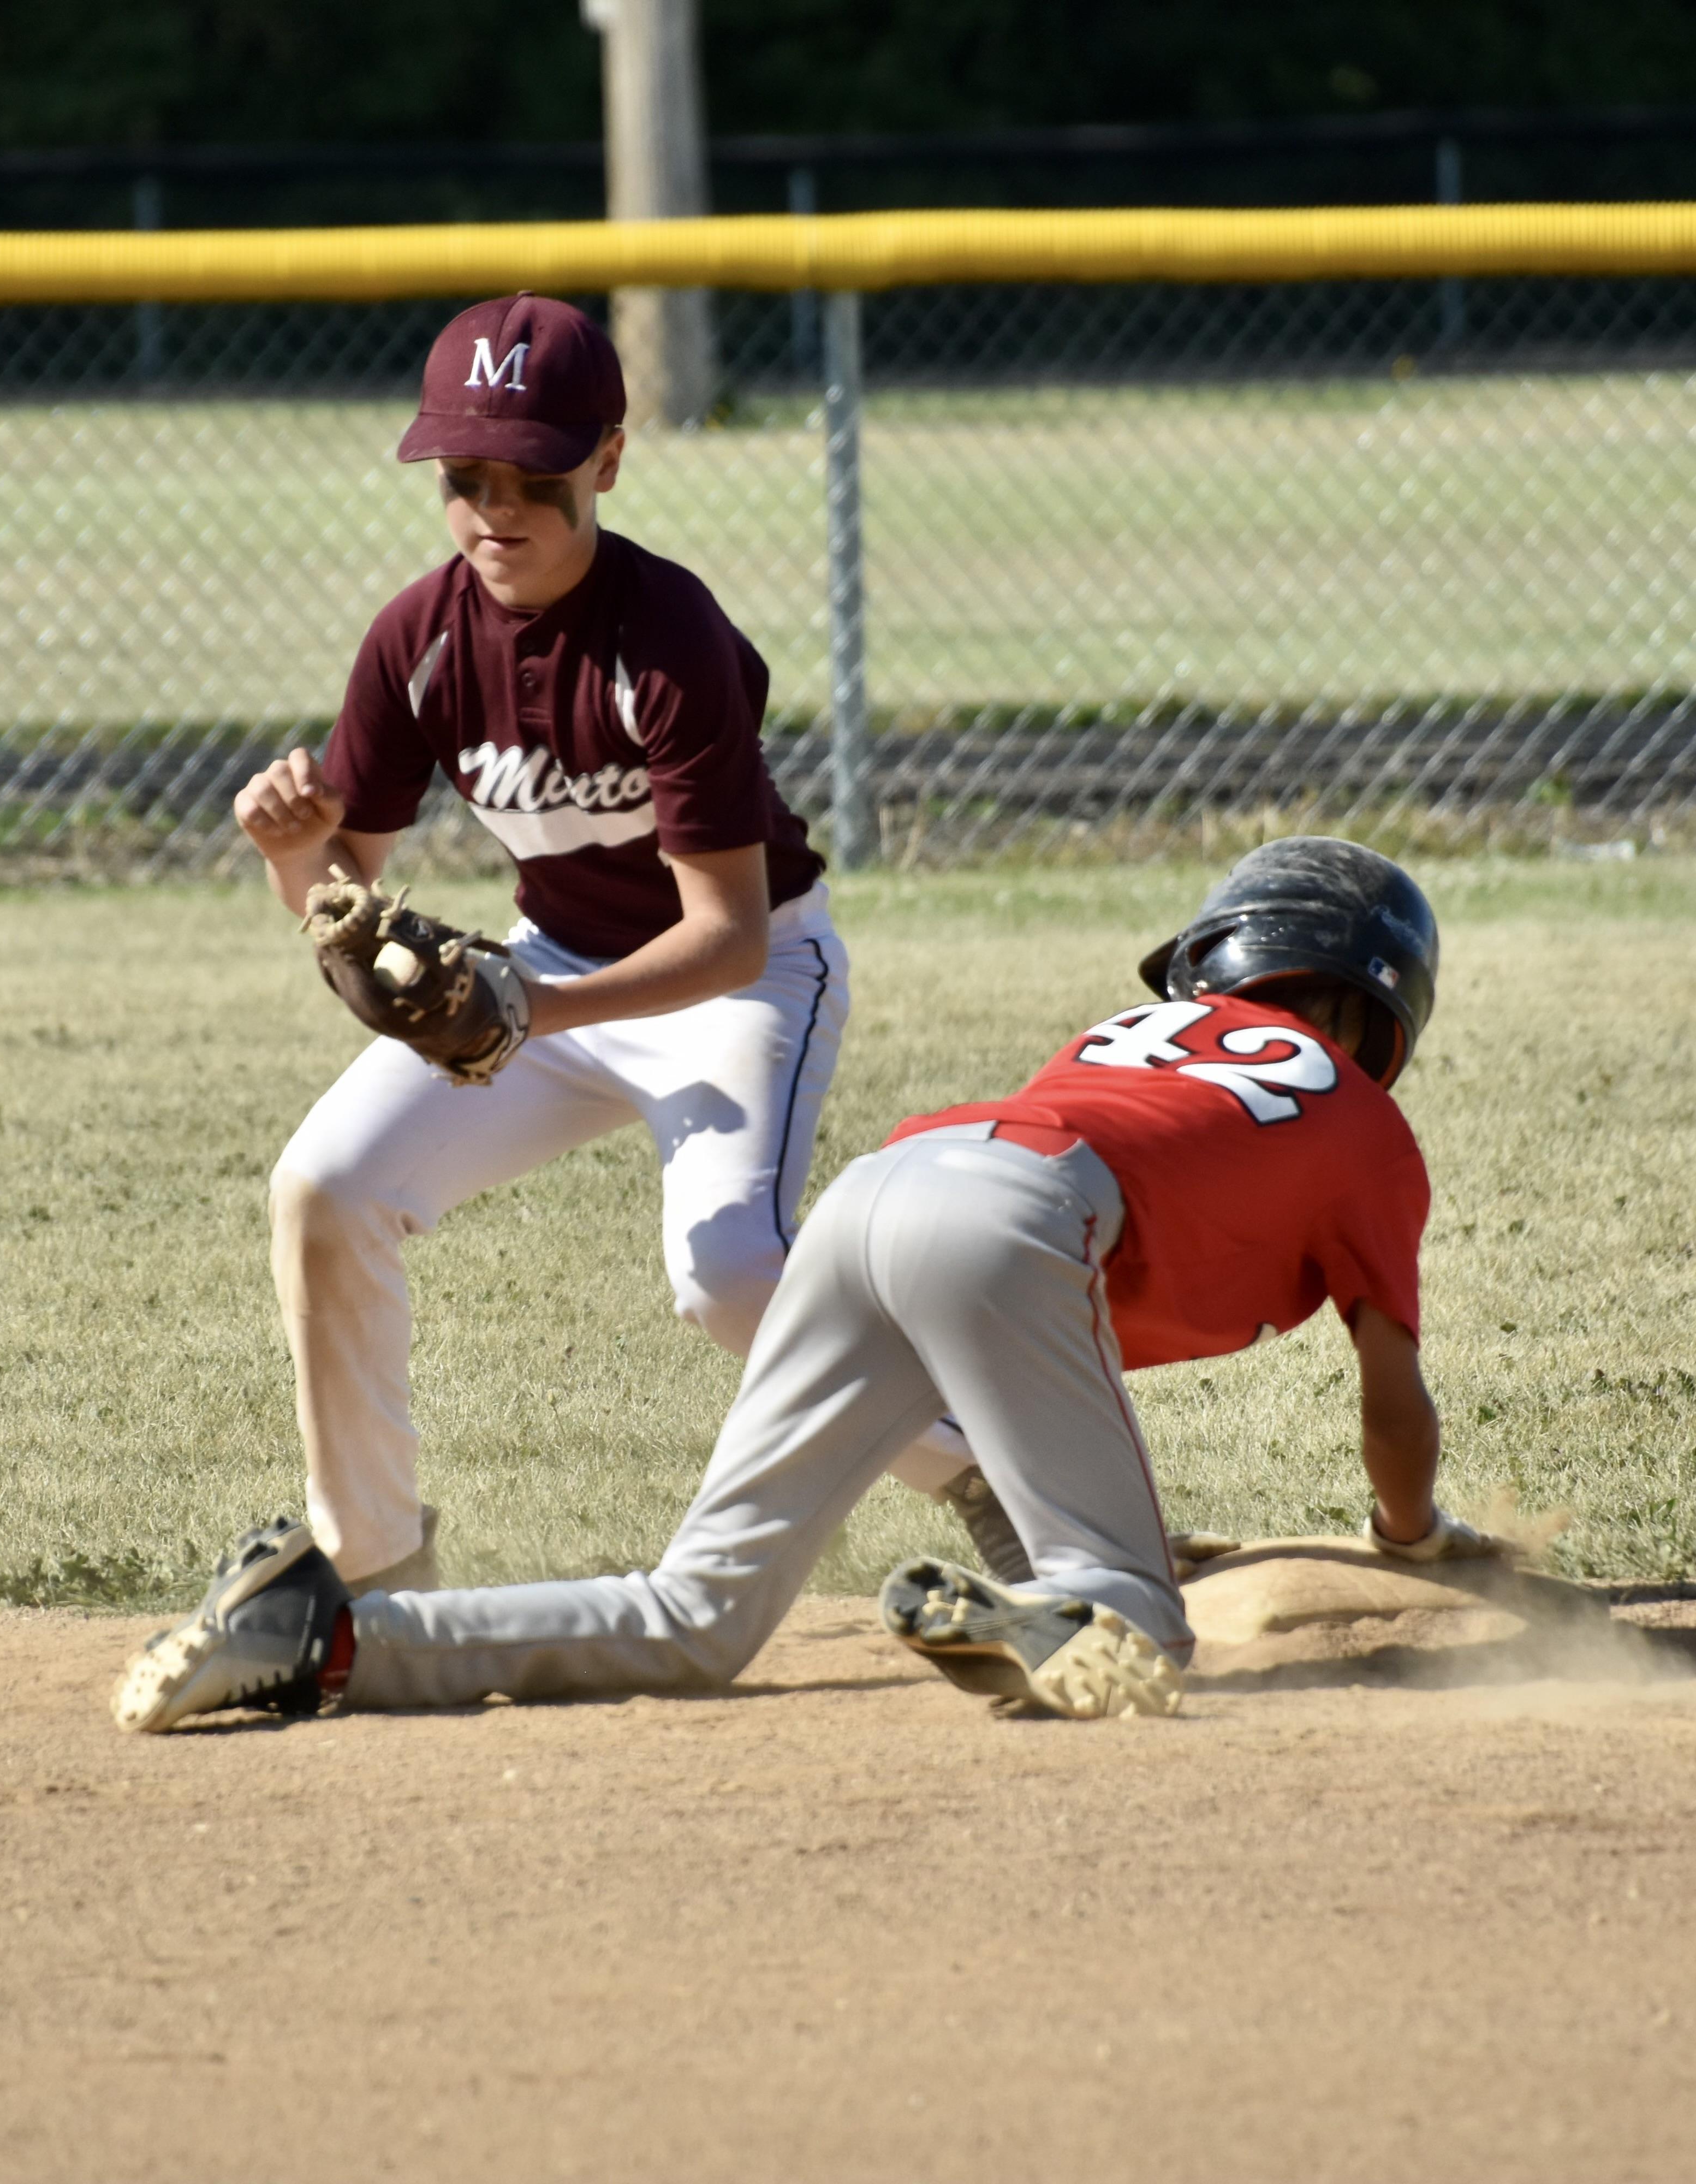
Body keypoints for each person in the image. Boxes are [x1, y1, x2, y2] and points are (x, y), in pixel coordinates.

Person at [115, 836, 1502, 1730]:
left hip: (881, 1193)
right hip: (1011, 1221)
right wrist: (1416, 1536)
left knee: (695, 1615)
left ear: (1213, 963)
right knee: (1142, 1624)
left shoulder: (1136, 1028)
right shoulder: (1365, 1122)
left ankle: (322, 1632)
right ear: (1387, 1011)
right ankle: (1069, 1603)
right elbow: (1393, 1397)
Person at [231, 292, 996, 1598]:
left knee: (732, 1275)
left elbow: (727, 934)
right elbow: (345, 907)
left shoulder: (669, 636)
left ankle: (995, 1472)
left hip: (740, 984)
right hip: (555, 969)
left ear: (608, 460)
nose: (494, 508)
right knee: (324, 1190)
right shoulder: (419, 641)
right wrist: (293, 851)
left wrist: (522, 1004)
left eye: (532, 472)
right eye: (463, 477)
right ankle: (376, 1557)